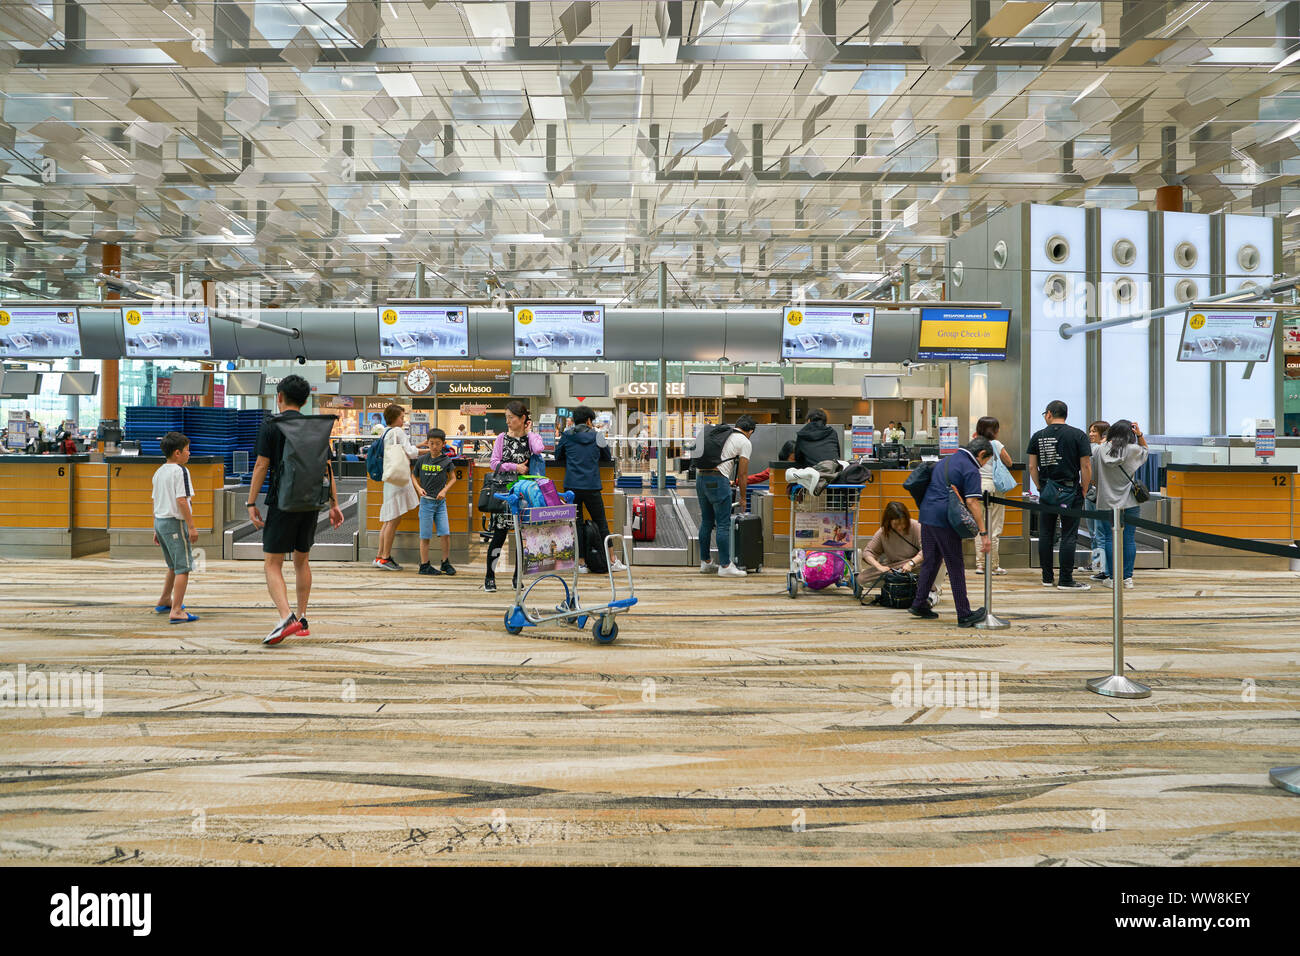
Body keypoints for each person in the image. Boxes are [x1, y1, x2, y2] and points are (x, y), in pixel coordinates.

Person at [247, 374, 345, 645]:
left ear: (279, 397)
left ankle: (285, 615)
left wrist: (251, 502)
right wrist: (334, 504)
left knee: (272, 563)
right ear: (305, 400)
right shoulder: (316, 428)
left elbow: (261, 466)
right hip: (311, 502)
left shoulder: (271, 426)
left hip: (282, 502)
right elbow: (327, 469)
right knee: (302, 561)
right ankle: (302, 618)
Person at [908, 438, 994, 626]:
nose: (984, 464)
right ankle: (964, 613)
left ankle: (919, 602)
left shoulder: (946, 460)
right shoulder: (971, 469)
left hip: (926, 514)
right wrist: (983, 532)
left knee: (931, 560)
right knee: (955, 564)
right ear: (981, 455)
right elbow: (972, 502)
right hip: (945, 520)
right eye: (986, 461)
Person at [1027, 399, 1093, 591]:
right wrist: (1084, 488)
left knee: (1046, 534)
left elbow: (1032, 466)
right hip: (1071, 490)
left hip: (1047, 490)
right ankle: (1065, 579)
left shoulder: (1038, 436)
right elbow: (1086, 466)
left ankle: (1047, 577)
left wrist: (1040, 487)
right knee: (1068, 535)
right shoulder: (1078, 435)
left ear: (1049, 414)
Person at [555, 405, 627, 573]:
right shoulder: (598, 436)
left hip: (572, 487)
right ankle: (612, 559)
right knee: (601, 522)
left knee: (577, 524)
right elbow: (607, 457)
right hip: (592, 486)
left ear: (574, 420)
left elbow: (558, 456)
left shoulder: (566, 436)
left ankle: (580, 563)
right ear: (588, 421)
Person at [484, 400, 544, 592]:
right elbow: (494, 463)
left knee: (522, 538)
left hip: (525, 494)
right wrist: (515, 467)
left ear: (523, 419)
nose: (508, 421)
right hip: (505, 493)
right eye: (506, 418)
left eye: (512, 418)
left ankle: (518, 578)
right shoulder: (502, 438)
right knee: (499, 537)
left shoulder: (531, 438)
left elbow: (538, 450)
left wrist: (529, 432)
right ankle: (489, 577)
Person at [1091, 419, 1149, 589]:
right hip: (1130, 501)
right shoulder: (1133, 450)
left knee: (1109, 538)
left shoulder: (1099, 450)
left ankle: (1112, 577)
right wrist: (1139, 434)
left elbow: (1094, 477)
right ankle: (1127, 578)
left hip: (1106, 501)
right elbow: (1146, 450)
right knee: (1129, 539)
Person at [697, 415, 755, 579]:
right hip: (717, 480)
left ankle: (706, 562)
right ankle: (725, 565)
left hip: (700, 478)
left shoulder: (722, 434)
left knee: (706, 521)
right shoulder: (744, 441)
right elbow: (743, 474)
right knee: (723, 524)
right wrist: (743, 498)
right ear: (750, 431)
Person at [152, 430, 199, 624]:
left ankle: (165, 600)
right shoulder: (180, 471)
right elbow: (181, 500)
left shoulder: (159, 471)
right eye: (187, 450)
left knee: (172, 565)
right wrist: (191, 526)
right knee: (183, 567)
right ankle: (177, 610)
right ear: (177, 453)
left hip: (160, 521)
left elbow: (155, 500)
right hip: (174, 523)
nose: (189, 453)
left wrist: (156, 528)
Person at [862, 500, 945, 606]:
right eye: (896, 524)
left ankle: (932, 591)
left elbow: (928, 549)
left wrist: (911, 563)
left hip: (916, 566)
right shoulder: (883, 532)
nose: (900, 527)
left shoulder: (916, 526)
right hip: (895, 569)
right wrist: (879, 567)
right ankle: (904, 588)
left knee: (938, 559)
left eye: (903, 523)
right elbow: (867, 553)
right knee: (863, 578)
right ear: (888, 522)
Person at [374, 404, 422, 571]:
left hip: (390, 478)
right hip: (399, 480)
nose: (403, 420)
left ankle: (380, 556)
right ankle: (386, 557)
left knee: (389, 520)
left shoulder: (385, 432)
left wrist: (420, 445)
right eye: (402, 417)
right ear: (395, 418)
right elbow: (410, 452)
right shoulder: (398, 431)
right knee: (393, 520)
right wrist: (426, 450)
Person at [973, 416, 1015, 576]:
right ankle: (994, 565)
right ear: (994, 430)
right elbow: (1009, 462)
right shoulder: (996, 444)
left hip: (977, 487)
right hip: (994, 487)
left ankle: (979, 565)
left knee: (980, 528)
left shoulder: (974, 445)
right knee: (994, 528)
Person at [414, 428, 458, 576]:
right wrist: (418, 488)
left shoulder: (446, 460)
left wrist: (444, 490)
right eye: (431, 443)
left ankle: (445, 562)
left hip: (440, 504)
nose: (434, 446)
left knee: (445, 533)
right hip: (425, 503)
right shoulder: (421, 460)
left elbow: (453, 478)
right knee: (425, 535)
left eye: (437, 444)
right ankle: (424, 565)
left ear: (443, 444)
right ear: (427, 443)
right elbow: (413, 476)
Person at [1086, 420, 1110, 575]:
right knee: (1093, 532)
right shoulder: (1094, 448)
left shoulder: (1102, 449)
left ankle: (1102, 567)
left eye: (1095, 431)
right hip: (1092, 492)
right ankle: (1096, 565)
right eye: (1090, 430)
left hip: (1100, 493)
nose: (1091, 434)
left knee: (1099, 531)